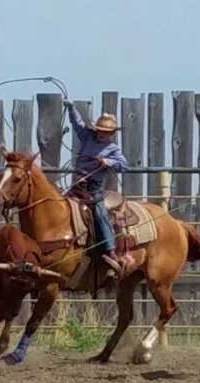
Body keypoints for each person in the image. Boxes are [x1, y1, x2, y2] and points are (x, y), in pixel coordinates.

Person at [63, 99, 129, 273]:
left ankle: (110, 251)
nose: (101, 133)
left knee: (100, 215)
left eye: (105, 132)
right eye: (99, 130)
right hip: (78, 184)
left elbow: (124, 165)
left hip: (95, 188)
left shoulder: (113, 149)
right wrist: (71, 108)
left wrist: (106, 161)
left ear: (111, 133)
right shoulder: (87, 137)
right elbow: (77, 123)